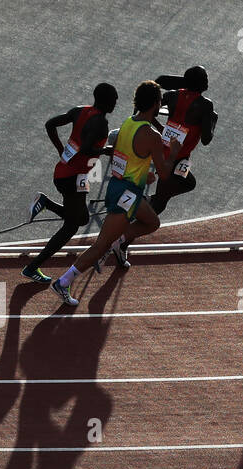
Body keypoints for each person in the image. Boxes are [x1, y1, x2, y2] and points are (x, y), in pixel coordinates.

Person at [50, 81, 178, 307]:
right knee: (100, 245)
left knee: (152, 222)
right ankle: (63, 281)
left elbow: (125, 157)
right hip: (126, 194)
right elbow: (165, 174)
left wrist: (142, 175)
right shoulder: (152, 135)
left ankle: (117, 242)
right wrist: (174, 152)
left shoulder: (127, 123)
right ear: (157, 104)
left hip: (123, 188)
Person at [22, 83, 117, 283]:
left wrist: (60, 149)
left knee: (81, 219)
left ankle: (45, 203)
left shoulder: (79, 111)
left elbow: (50, 124)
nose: (116, 103)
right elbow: (86, 149)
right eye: (114, 99)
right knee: (71, 226)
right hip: (73, 178)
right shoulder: (100, 123)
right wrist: (105, 150)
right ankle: (32, 268)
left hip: (66, 172)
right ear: (107, 101)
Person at [150, 65, 219, 215]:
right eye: (205, 78)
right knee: (159, 206)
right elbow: (206, 140)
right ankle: (124, 232)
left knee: (188, 183)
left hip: (171, 154)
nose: (208, 81)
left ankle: (156, 198)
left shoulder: (172, 95)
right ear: (199, 83)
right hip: (174, 158)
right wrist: (213, 121)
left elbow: (150, 112)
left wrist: (162, 129)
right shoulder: (205, 105)